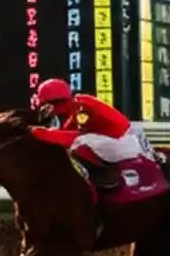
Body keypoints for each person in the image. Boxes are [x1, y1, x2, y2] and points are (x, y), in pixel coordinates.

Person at [29, 78, 159, 186]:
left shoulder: (81, 109)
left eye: (45, 105)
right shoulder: (74, 107)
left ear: (54, 103)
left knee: (80, 143)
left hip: (124, 140)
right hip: (118, 139)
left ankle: (104, 175)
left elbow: (74, 137)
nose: (44, 110)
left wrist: (41, 133)